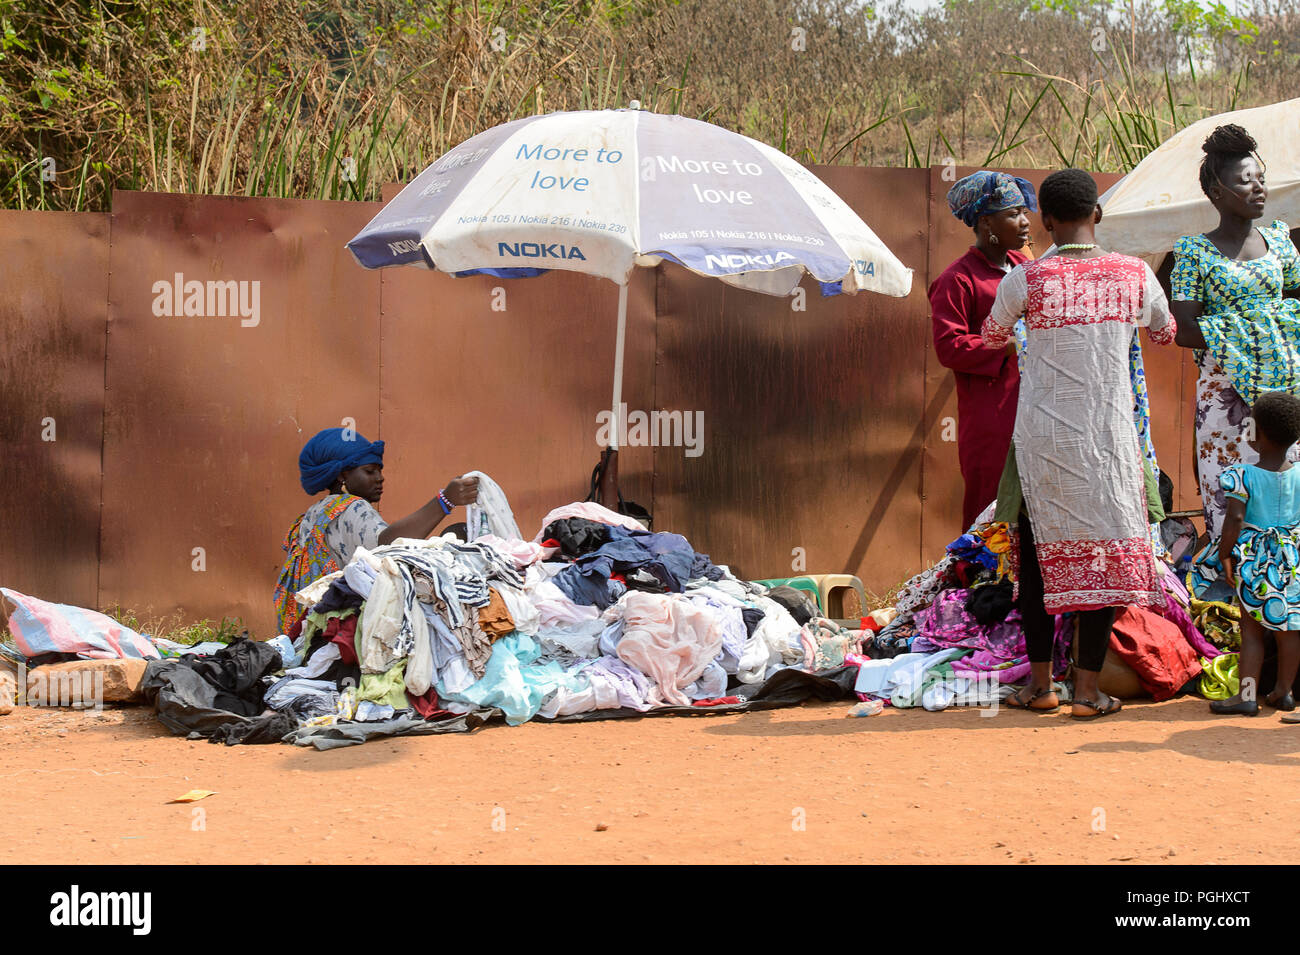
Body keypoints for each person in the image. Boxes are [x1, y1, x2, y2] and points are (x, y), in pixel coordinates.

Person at [982, 168, 1175, 719]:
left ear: (1044, 221)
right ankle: (1087, 693)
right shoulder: (1133, 274)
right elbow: (1162, 333)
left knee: (1038, 560)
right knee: (1108, 559)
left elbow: (993, 337)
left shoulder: (1025, 280)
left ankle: (1040, 687)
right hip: (1109, 440)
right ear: (1098, 214)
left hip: (1041, 443)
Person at [1169, 124, 1300, 593]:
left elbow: (1297, 305)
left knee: (1286, 496)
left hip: (1285, 395)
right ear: (1216, 191)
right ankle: (1233, 608)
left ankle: (1285, 606)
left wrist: (1263, 324)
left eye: (1260, 177)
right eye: (1246, 180)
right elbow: (1184, 329)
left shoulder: (1282, 242)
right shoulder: (1193, 252)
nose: (1258, 187)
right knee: (1232, 499)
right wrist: (1262, 325)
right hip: (1225, 401)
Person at [272, 427, 479, 633]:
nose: (380, 478)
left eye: (379, 470)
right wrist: (444, 501)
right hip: (339, 630)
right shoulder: (351, 506)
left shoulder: (313, 513)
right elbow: (387, 545)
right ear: (343, 475)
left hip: (308, 627)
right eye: (370, 471)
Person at [930, 170, 1037, 530]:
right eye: (1013, 214)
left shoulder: (1026, 267)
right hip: (992, 415)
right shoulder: (957, 280)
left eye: (1024, 212)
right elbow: (949, 347)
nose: (1025, 222)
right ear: (986, 222)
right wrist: (1008, 346)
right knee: (990, 505)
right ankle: (982, 585)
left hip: (1038, 403)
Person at [1190, 391, 1300, 716]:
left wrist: (1225, 554)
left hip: (1255, 559)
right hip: (1291, 560)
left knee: (1252, 629)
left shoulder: (1241, 475)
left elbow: (1235, 519)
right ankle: (1284, 692)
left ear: (1257, 433)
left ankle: (1247, 696)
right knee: (1290, 627)